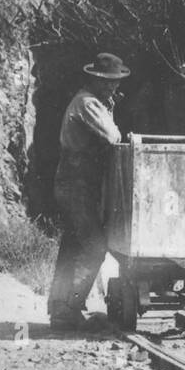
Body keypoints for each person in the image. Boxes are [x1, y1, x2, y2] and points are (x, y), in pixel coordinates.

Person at [46, 53, 130, 330]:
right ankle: (69, 308)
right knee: (94, 246)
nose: (112, 88)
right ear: (93, 79)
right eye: (106, 82)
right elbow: (112, 136)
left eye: (115, 83)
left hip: (78, 184)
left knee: (72, 245)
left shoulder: (91, 101)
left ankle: (60, 309)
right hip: (76, 183)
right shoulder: (88, 104)